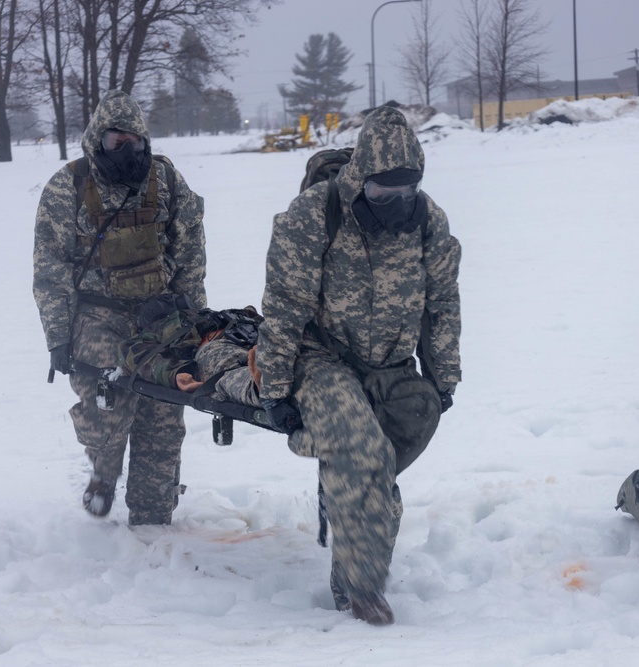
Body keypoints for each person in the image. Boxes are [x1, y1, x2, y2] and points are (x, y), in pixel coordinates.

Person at [255, 105, 462, 625]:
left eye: (404, 192)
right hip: (321, 356)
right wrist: (276, 390)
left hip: (392, 362)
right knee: (360, 449)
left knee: (385, 458)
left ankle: (349, 506)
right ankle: (361, 587)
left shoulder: (429, 221)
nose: (394, 204)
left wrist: (442, 376)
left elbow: (442, 304)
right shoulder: (313, 215)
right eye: (380, 194)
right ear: (358, 180)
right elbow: (284, 308)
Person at [33, 90, 207, 526]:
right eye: (117, 141)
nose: (128, 150)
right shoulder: (68, 185)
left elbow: (190, 256)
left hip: (159, 316)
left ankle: (152, 515)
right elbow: (50, 267)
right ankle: (104, 471)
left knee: (163, 413)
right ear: (98, 140)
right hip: (97, 315)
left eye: (135, 140)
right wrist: (57, 336)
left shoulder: (167, 181)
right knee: (109, 408)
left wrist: (196, 327)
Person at [118, 294, 263, 408]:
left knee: (226, 372)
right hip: (252, 333)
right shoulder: (209, 314)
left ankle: (264, 387)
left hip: (214, 345)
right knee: (233, 367)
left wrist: (175, 373)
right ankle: (271, 380)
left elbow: (135, 356)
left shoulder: (156, 329)